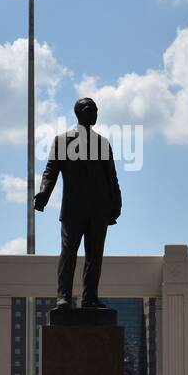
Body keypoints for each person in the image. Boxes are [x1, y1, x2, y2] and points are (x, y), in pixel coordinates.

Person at [33, 97, 122, 309]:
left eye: (96, 110)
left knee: (95, 255)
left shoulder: (102, 143)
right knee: (68, 253)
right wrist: (44, 192)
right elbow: (51, 170)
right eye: (91, 110)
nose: (96, 113)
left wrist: (116, 202)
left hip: (99, 209)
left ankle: (89, 297)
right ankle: (63, 296)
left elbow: (111, 176)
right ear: (80, 113)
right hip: (73, 208)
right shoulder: (63, 141)